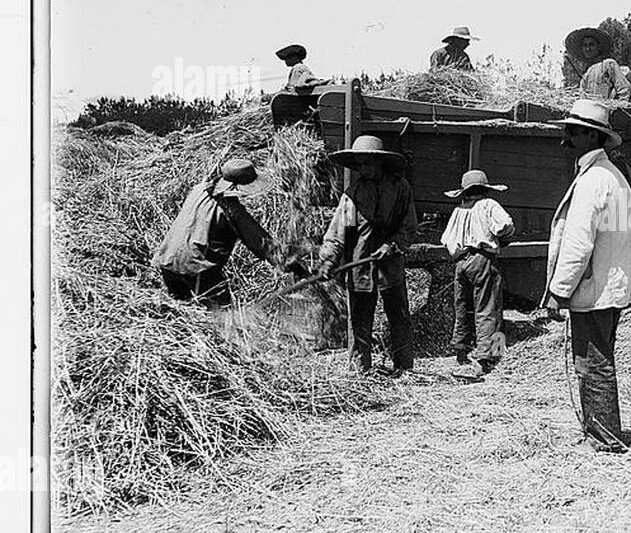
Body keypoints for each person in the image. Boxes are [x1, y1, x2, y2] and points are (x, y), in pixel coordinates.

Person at [544, 99, 631, 452]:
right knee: (595, 359)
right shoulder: (610, 176)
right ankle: (598, 431)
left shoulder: (593, 181)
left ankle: (605, 438)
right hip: (607, 284)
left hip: (596, 286)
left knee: (593, 362)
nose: (564, 138)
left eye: (571, 132)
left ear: (591, 136)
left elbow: (578, 243)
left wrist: (559, 290)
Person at [317, 134, 417, 373]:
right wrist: (328, 260)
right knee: (359, 321)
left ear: (380, 162)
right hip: (360, 268)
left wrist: (392, 246)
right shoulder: (353, 195)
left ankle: (404, 367)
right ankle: (359, 370)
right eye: (360, 164)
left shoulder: (400, 189)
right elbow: (338, 231)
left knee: (399, 317)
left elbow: (408, 226)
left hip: (390, 267)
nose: (363, 168)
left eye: (368, 163)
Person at [153, 158, 303, 308]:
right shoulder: (231, 210)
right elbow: (262, 244)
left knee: (183, 311)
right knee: (223, 315)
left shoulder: (199, 189)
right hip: (197, 269)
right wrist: (293, 265)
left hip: (168, 261)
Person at [441, 169, 516, 380]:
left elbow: (447, 240)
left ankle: (461, 351)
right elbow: (505, 225)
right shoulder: (488, 205)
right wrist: (503, 238)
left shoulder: (458, 210)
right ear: (484, 189)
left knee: (463, 307)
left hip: (461, 263)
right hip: (483, 259)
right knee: (490, 307)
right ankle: (490, 356)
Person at [562, 26, 631, 102]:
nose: (588, 49)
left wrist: (620, 108)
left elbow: (624, 89)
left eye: (591, 45)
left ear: (599, 47)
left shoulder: (608, 65)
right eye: (585, 45)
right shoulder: (586, 76)